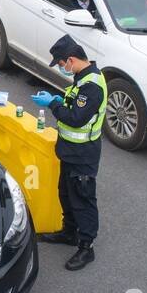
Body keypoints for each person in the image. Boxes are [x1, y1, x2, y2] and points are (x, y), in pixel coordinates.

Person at [32, 36, 107, 271]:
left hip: (82, 154)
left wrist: (52, 105)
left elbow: (75, 118)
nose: (62, 68)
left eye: (62, 64)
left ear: (71, 60)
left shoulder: (92, 86)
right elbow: (74, 104)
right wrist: (59, 98)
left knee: (83, 199)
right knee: (65, 193)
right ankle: (69, 232)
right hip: (69, 151)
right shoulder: (82, 78)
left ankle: (86, 247)